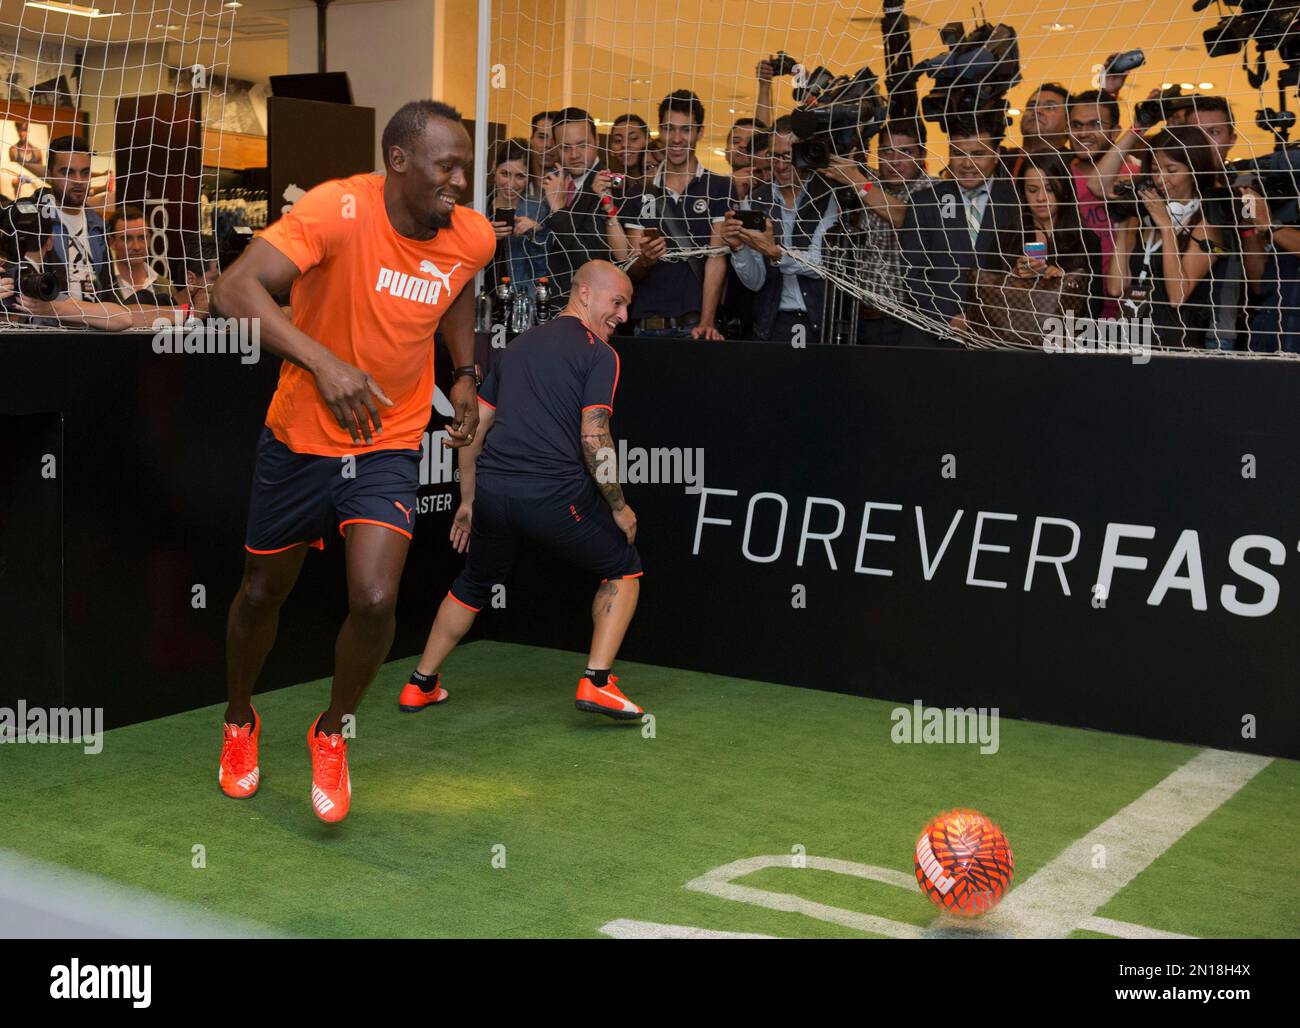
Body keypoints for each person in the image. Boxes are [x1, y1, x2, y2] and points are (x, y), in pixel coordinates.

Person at [209, 99, 496, 824]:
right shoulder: (336, 210)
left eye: (466, 166)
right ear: (398, 161)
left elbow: (458, 287)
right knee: (259, 593)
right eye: (446, 165)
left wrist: (463, 374)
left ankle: (330, 730)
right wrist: (325, 365)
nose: (459, 181)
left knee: (373, 599)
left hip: (388, 442)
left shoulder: (471, 236)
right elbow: (233, 289)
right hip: (299, 439)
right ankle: (240, 719)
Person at [400, 260, 645, 721]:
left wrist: (470, 500)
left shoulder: (518, 345)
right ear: (585, 294)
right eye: (617, 302)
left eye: (628, 306)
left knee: (472, 583)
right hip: (552, 497)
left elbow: (473, 428)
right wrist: (619, 505)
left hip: (495, 494)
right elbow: (595, 437)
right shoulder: (600, 355)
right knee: (623, 568)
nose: (624, 316)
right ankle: (596, 683)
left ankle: (421, 684)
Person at [897, 110, 1021, 344]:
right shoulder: (925, 202)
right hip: (932, 336)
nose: (967, 164)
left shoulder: (1016, 203)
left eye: (978, 154)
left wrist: (980, 319)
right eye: (958, 153)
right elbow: (912, 274)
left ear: (996, 155)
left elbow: (1020, 275)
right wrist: (947, 318)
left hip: (997, 337)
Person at [1106, 125, 1233, 349]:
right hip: (1131, 336)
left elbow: (1178, 295)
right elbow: (1117, 288)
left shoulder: (1206, 223)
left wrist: (1166, 227)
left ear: (1194, 170)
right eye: (1155, 169)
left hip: (1177, 342)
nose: (1160, 179)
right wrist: (1125, 221)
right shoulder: (1144, 219)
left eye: (1171, 170)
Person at [621, 89, 730, 338]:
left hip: (694, 327)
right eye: (669, 129)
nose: (677, 138)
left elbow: (716, 259)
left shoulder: (720, 187)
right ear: (660, 131)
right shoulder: (639, 192)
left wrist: (707, 322)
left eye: (686, 129)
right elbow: (632, 268)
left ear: (699, 132)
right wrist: (646, 259)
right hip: (646, 326)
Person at [822, 118, 939, 345]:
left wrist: (858, 181)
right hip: (860, 317)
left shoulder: (933, 189)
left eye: (905, 152)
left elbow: (907, 217)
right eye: (887, 152)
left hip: (909, 320)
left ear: (922, 155)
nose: (895, 162)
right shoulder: (869, 181)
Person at [723, 116, 838, 344]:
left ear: (804, 153)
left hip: (819, 323)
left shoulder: (827, 196)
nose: (781, 165)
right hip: (770, 322)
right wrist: (738, 248)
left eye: (788, 156)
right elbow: (755, 282)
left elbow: (821, 265)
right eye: (775, 156)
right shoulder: (755, 201)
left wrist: (775, 253)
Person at [977, 152, 1103, 329]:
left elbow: (1095, 306)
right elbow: (986, 298)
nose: (1041, 198)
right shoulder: (1006, 237)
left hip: (1065, 343)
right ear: (1022, 193)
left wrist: (1064, 283)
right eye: (1032, 190)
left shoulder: (1086, 240)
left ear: (1064, 189)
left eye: (1050, 188)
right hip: (1014, 340)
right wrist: (1013, 278)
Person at [541, 107, 633, 300]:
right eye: (566, 147)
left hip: (596, 308)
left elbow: (594, 262)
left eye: (582, 145)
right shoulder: (556, 184)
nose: (574, 154)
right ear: (556, 147)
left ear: (597, 141)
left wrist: (558, 210)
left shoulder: (613, 186)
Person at [44, 136, 112, 300]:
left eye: (85, 173)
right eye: (68, 172)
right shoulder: (36, 222)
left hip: (96, 322)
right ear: (49, 175)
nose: (79, 181)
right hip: (51, 323)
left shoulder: (98, 226)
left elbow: (106, 287)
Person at [486, 139, 548, 299]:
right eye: (505, 174)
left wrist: (537, 232)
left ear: (529, 177)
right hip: (479, 297)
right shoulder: (474, 208)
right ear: (494, 167)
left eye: (520, 176)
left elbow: (544, 271)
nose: (511, 184)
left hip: (522, 301)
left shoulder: (539, 210)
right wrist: (483, 237)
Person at [108, 206, 172, 305]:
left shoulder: (165, 286)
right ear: (112, 242)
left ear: (149, 239)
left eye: (142, 238)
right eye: (127, 239)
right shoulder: (103, 285)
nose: (136, 247)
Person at [607, 114, 649, 181]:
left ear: (648, 142)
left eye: (633, 138)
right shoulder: (615, 182)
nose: (624, 144)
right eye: (618, 140)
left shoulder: (658, 179)